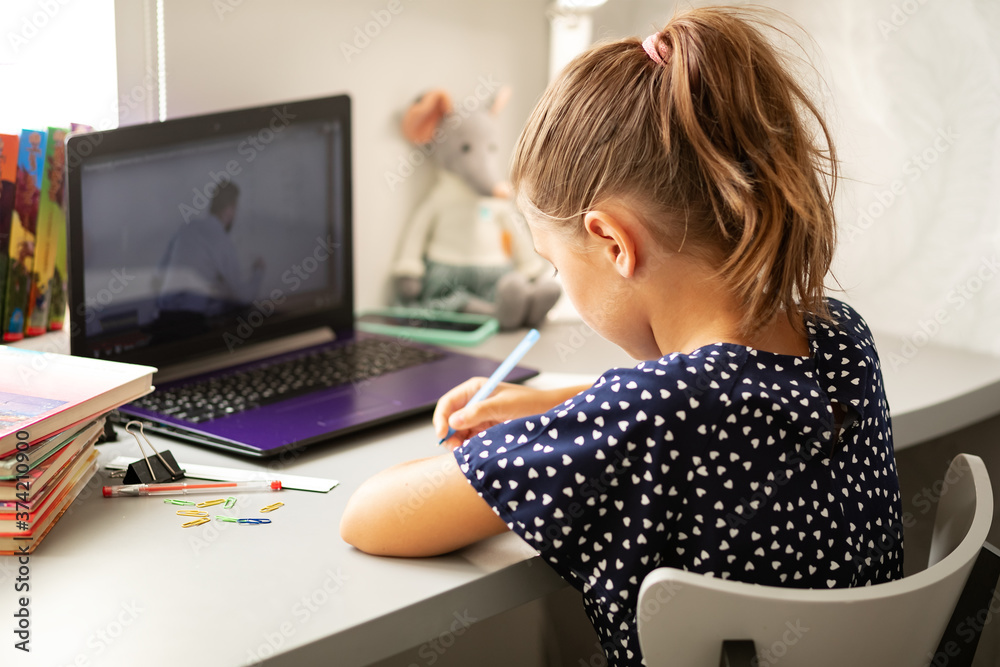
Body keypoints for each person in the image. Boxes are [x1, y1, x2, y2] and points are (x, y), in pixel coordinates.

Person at [340, 7, 903, 666]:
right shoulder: (841, 338)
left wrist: (578, 421)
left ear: (612, 241)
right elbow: (720, 398)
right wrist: (565, 404)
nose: (557, 281)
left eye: (556, 263)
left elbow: (370, 515)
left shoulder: (649, 418)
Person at [157, 179, 265, 320]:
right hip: (189, 323)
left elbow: (160, 273)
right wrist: (258, 271)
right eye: (235, 209)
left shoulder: (186, 229)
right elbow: (242, 298)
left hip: (163, 318)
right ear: (230, 208)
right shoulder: (221, 240)